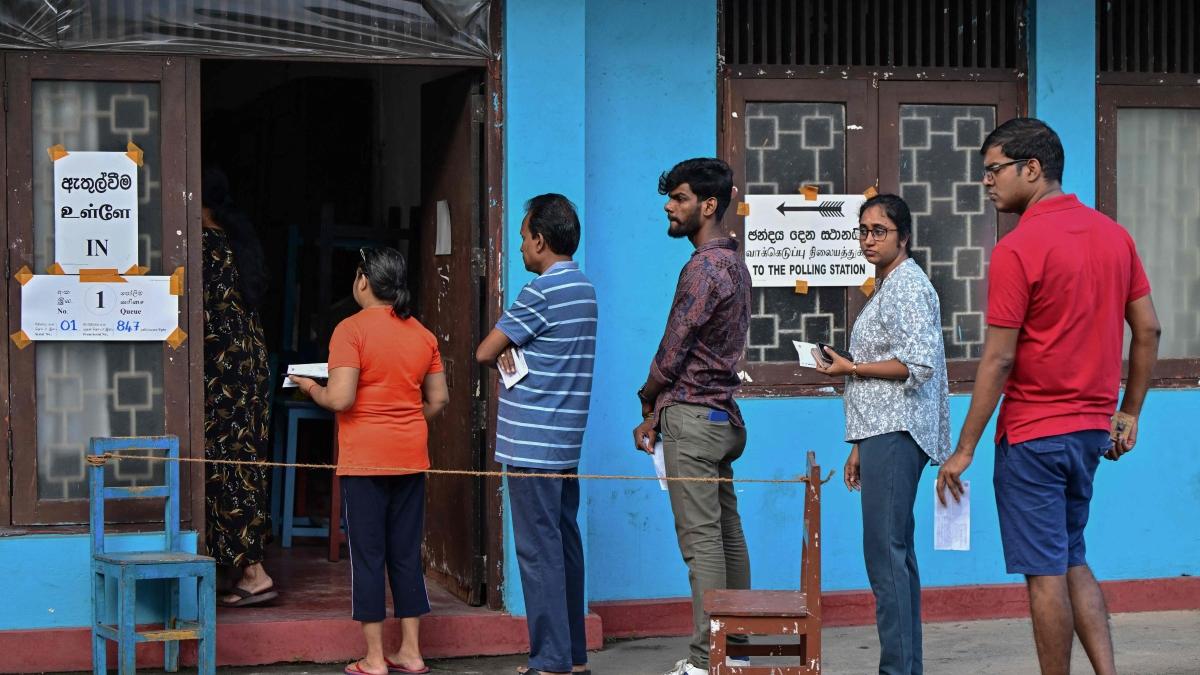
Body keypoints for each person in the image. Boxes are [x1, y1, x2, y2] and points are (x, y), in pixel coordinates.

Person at [935, 118, 1160, 675]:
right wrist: (1128, 411)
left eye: (994, 170)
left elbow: (1000, 358)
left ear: (1031, 169)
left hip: (1033, 435)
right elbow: (1149, 330)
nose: (986, 182)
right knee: (1072, 556)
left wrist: (964, 448)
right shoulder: (1115, 236)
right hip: (1089, 432)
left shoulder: (1019, 248)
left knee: (1045, 573)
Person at [290, 247, 449, 675]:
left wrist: (309, 388)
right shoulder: (423, 335)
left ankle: (375, 657)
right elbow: (438, 399)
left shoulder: (350, 330)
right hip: (411, 457)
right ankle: (411, 652)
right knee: (404, 553)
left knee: (367, 556)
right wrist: (406, 418)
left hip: (364, 461)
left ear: (363, 280)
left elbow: (340, 397)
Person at [814, 194, 950, 675]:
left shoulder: (910, 286)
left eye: (879, 231)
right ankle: (904, 666)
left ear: (904, 237)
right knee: (895, 553)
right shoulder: (886, 286)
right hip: (879, 433)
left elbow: (918, 365)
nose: (869, 239)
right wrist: (856, 445)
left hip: (898, 432)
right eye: (863, 230)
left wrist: (852, 366)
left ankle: (898, 668)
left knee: (884, 552)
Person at [631, 158, 751, 675]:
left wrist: (647, 399)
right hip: (723, 419)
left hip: (693, 420)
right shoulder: (735, 263)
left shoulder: (703, 268)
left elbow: (672, 350)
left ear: (707, 205)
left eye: (679, 198)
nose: (669, 206)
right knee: (726, 536)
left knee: (701, 543)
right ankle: (737, 649)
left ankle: (709, 660)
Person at [475, 193, 596, 675]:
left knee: (537, 551)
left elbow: (486, 351)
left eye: (524, 238)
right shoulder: (584, 287)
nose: (522, 247)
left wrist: (508, 349)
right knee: (564, 545)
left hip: (531, 444)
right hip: (565, 441)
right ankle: (574, 656)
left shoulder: (540, 291)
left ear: (541, 241)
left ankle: (549, 661)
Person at [201, 167, 278, 608]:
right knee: (243, 461)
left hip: (221, 369)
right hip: (247, 365)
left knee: (223, 465)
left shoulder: (206, 246)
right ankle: (242, 565)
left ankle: (253, 571)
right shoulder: (239, 240)